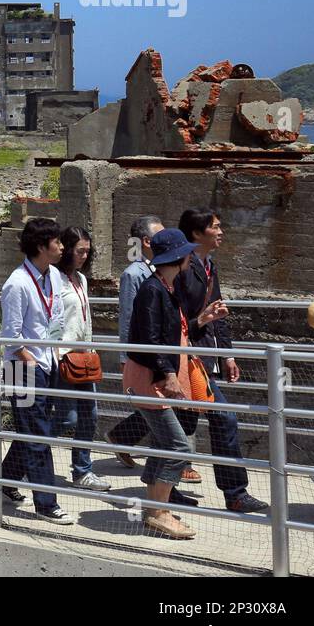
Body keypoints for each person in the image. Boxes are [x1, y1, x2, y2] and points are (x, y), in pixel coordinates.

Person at [172, 209, 267, 514]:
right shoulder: (182, 269)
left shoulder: (210, 265)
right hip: (187, 359)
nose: (221, 231)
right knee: (223, 417)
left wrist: (227, 354)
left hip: (206, 357)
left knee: (181, 423)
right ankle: (235, 493)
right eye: (215, 227)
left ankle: (165, 485)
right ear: (197, 234)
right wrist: (203, 320)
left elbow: (220, 315)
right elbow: (179, 321)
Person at [123, 227, 212, 540]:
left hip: (156, 377)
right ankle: (157, 512)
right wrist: (169, 373)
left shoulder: (165, 287)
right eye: (187, 252)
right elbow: (148, 339)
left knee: (164, 444)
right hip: (150, 379)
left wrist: (202, 321)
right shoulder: (153, 289)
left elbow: (173, 333)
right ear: (178, 257)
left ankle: (155, 508)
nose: (191, 256)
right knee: (175, 446)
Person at [0, 217, 72, 524]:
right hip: (22, 368)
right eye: (57, 242)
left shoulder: (52, 274)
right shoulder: (16, 283)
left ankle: (6, 476)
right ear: (42, 246)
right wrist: (31, 360)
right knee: (37, 433)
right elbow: (10, 335)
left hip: (46, 360)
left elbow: (54, 317)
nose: (62, 247)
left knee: (37, 427)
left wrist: (54, 353)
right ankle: (46, 502)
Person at [49, 227, 110, 491]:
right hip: (62, 357)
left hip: (84, 357)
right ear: (67, 250)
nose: (84, 255)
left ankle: (82, 471)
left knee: (89, 416)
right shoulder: (53, 279)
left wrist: (91, 348)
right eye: (79, 250)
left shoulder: (81, 280)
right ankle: (27, 454)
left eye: (87, 250)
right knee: (67, 418)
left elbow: (84, 320)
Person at [107, 215, 169, 471]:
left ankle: (124, 436)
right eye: (160, 236)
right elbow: (128, 316)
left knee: (162, 403)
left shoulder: (158, 269)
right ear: (145, 241)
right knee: (159, 403)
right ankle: (170, 461)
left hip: (160, 348)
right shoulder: (134, 274)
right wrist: (126, 356)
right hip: (142, 352)